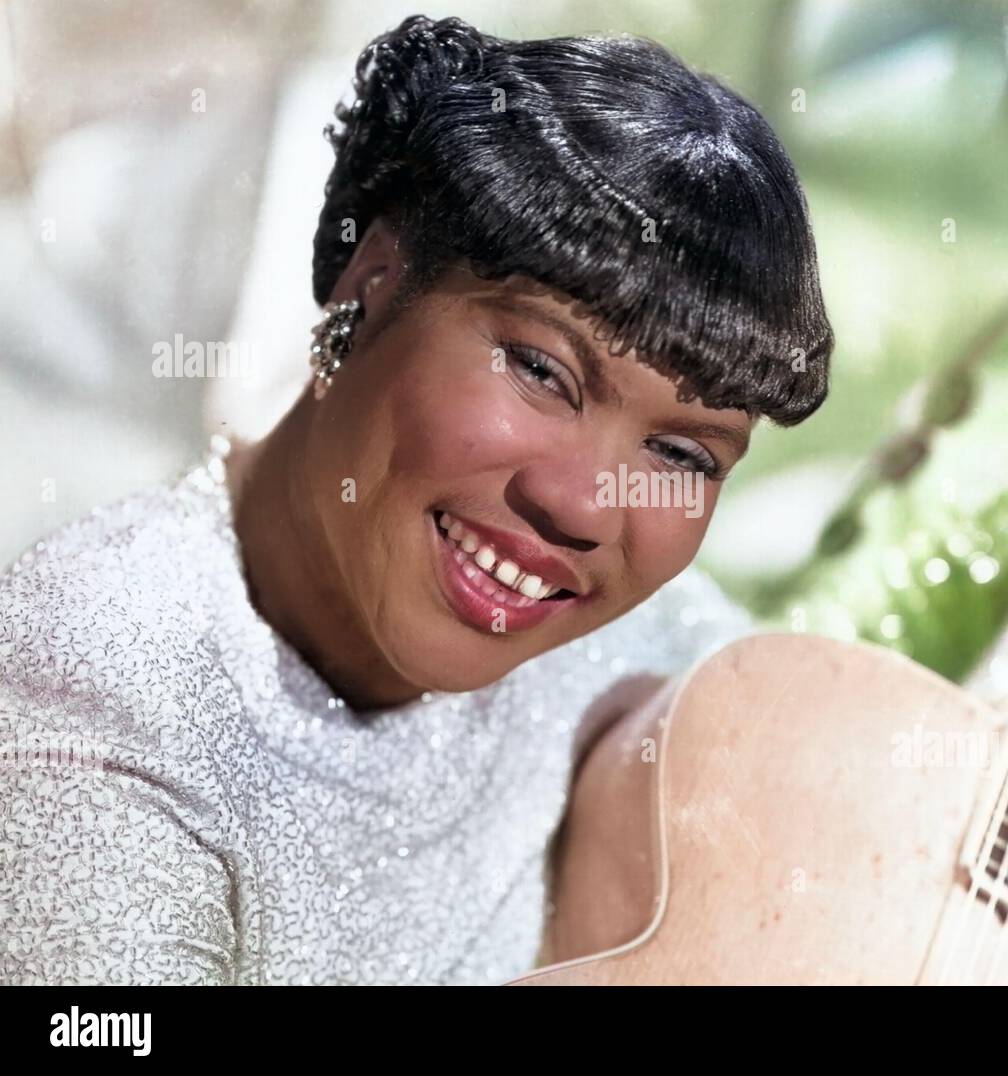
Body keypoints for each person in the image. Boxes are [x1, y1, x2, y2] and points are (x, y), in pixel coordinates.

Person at [0, 14, 833, 985]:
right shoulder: (101, 698)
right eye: (539, 370)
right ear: (372, 280)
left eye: (683, 453)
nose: (584, 507)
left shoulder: (628, 650)